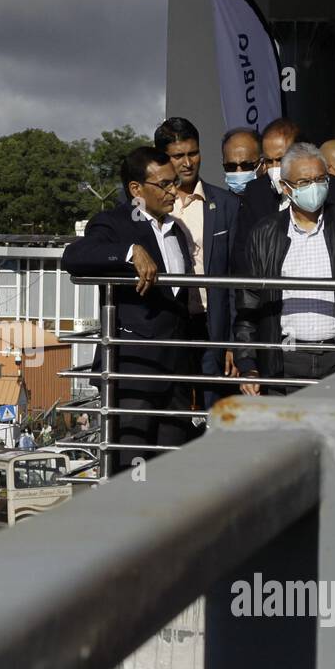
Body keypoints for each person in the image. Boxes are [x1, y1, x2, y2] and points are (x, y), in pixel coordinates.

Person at [62, 146, 197, 471]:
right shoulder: (113, 224)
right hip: (131, 375)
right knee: (128, 473)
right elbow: (74, 257)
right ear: (136, 189)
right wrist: (129, 251)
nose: (172, 191)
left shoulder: (178, 231)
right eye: (163, 184)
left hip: (176, 375)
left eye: (174, 182)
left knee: (173, 474)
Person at [234, 142, 335, 394]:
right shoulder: (265, 233)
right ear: (285, 187)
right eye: (304, 182)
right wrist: (248, 363)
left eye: (320, 179)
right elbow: (248, 303)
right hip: (285, 361)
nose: (314, 188)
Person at [155, 116, 241, 412]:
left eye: (193, 153)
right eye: (178, 156)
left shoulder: (226, 204)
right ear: (163, 158)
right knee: (171, 410)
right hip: (168, 324)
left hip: (211, 324)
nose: (188, 162)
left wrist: (231, 341)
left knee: (211, 408)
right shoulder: (148, 205)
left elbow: (234, 275)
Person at [235, 118, 303, 267]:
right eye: (268, 161)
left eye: (281, 159)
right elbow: (243, 251)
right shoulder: (256, 193)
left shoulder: (321, 191)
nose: (275, 168)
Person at [220, 126, 261, 195]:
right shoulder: (221, 204)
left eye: (246, 166)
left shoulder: (278, 202)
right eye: (231, 166)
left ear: (262, 164)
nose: (238, 172)